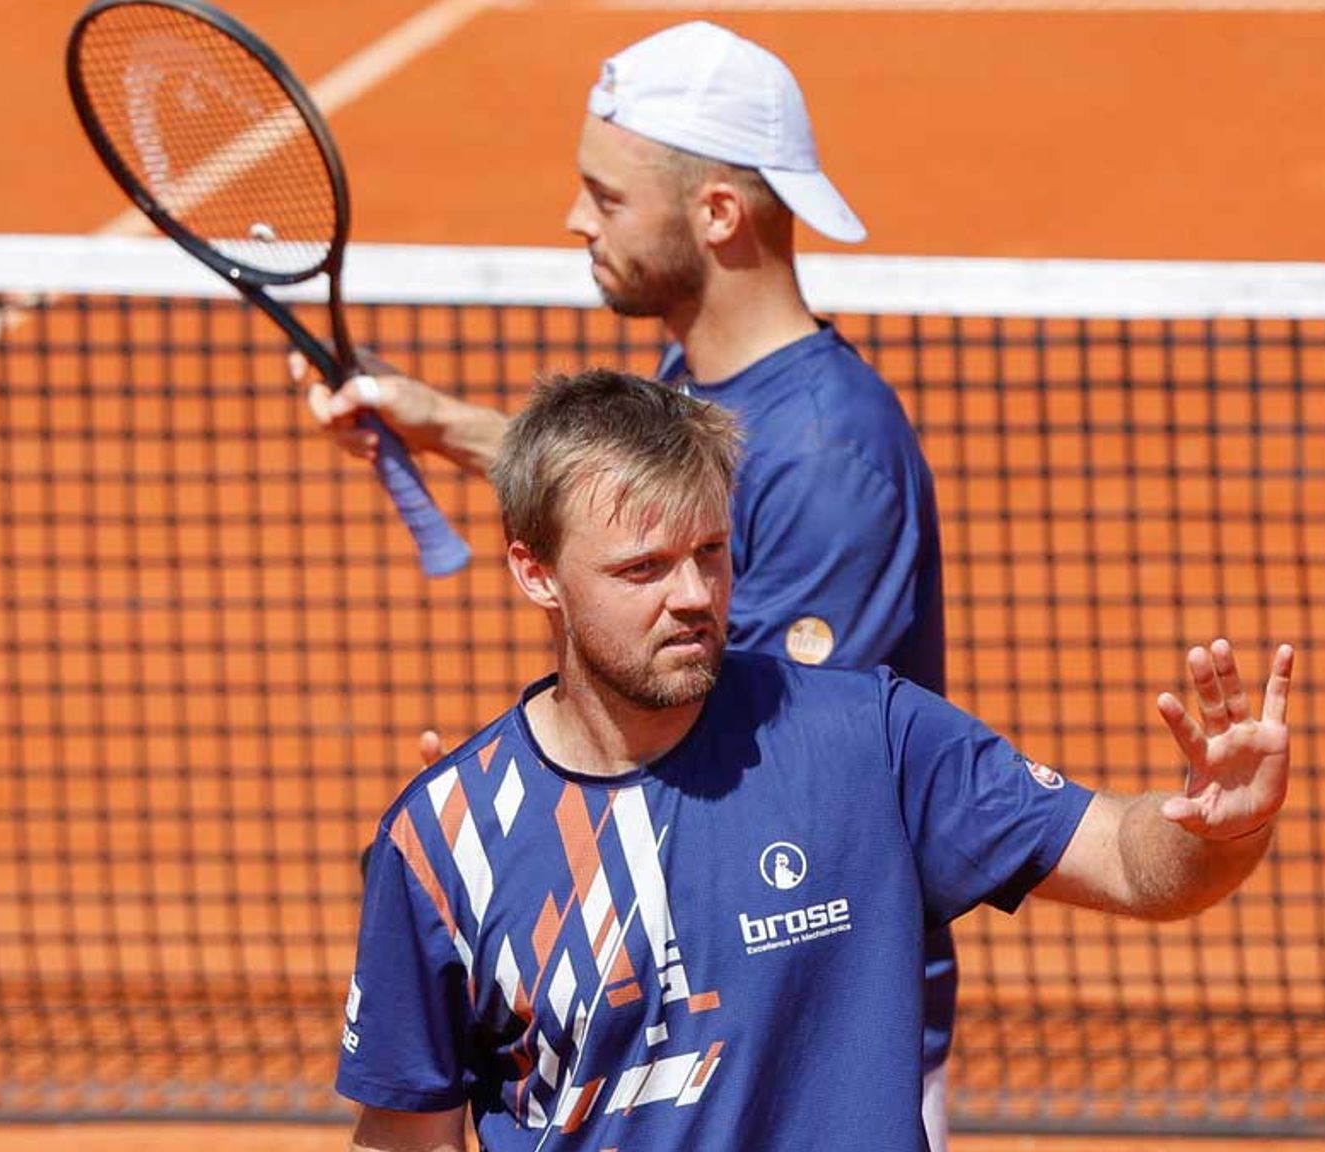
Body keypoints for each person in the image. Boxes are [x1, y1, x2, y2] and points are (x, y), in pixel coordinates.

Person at [337, 370, 1295, 1152]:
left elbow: (1134, 862)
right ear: (534, 571)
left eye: (710, 552)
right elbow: (405, 1137)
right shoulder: (443, 841)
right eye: (642, 569)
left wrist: (1224, 828)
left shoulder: (866, 739)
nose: (693, 596)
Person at [302, 21, 962, 1139]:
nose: (574, 219)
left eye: (605, 198)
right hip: (672, 1021)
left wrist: (494, 826)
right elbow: (627, 497)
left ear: (714, 215)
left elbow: (786, 766)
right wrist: (441, 419)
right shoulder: (709, 388)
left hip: (801, 1051)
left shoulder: (823, 461)